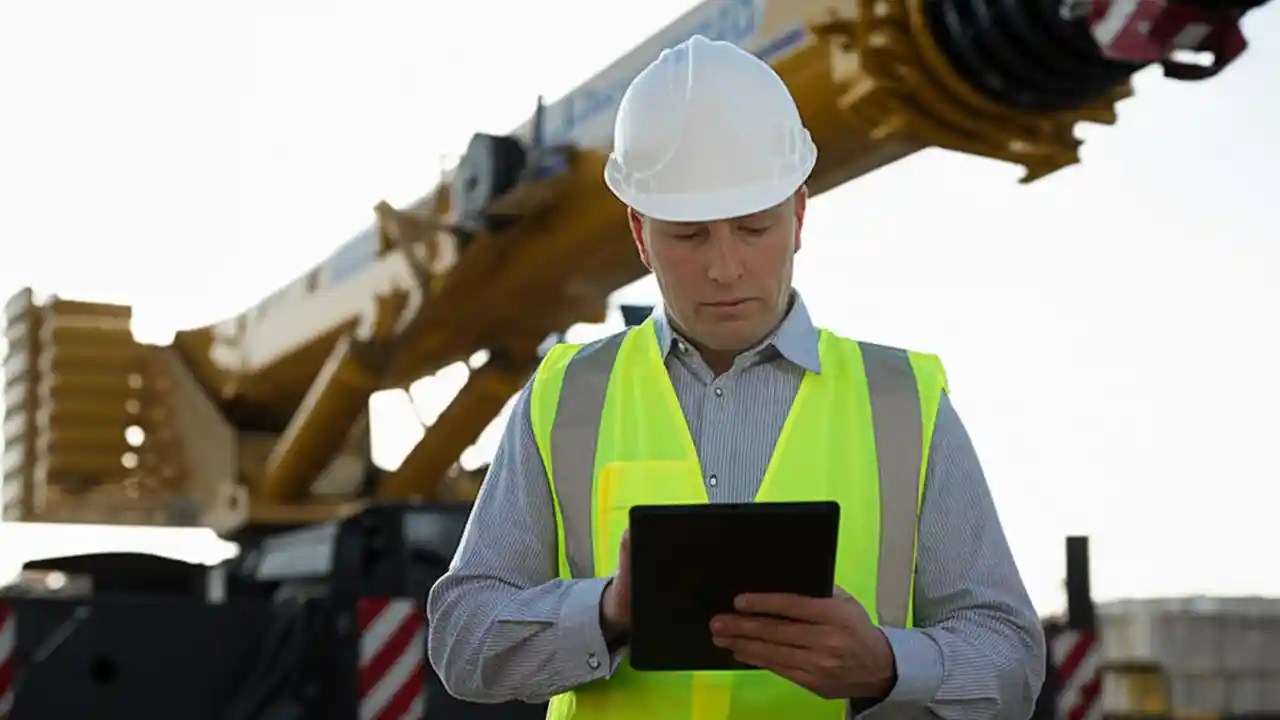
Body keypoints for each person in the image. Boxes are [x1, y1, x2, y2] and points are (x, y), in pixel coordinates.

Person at [426, 34, 1046, 719]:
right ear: (640, 233)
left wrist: (885, 667)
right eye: (688, 236)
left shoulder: (903, 403)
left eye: (753, 229)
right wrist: (606, 612)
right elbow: (462, 641)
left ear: (799, 216)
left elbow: (1011, 657)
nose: (724, 269)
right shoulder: (566, 396)